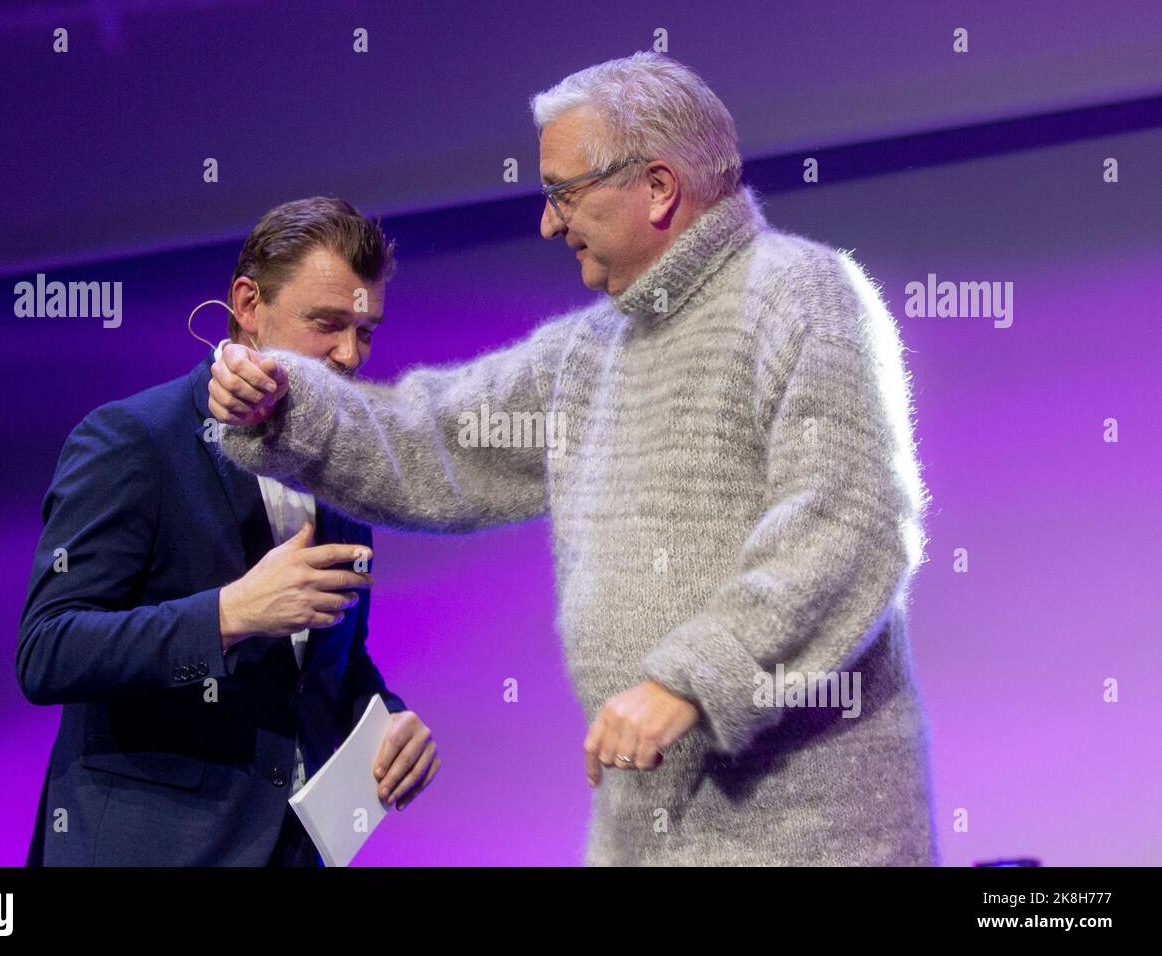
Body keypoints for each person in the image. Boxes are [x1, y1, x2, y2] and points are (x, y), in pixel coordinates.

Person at [210, 53, 936, 865]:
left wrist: (689, 682)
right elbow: (431, 439)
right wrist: (286, 404)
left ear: (658, 189)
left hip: (811, 835)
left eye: (563, 193)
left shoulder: (804, 294)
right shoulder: (587, 354)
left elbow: (847, 523)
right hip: (642, 833)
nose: (550, 224)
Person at [18, 196, 438, 866]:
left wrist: (385, 719)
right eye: (327, 324)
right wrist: (228, 616)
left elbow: (322, 659)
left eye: (366, 331)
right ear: (248, 302)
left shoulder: (344, 466)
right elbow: (48, 651)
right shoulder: (135, 440)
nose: (349, 354)